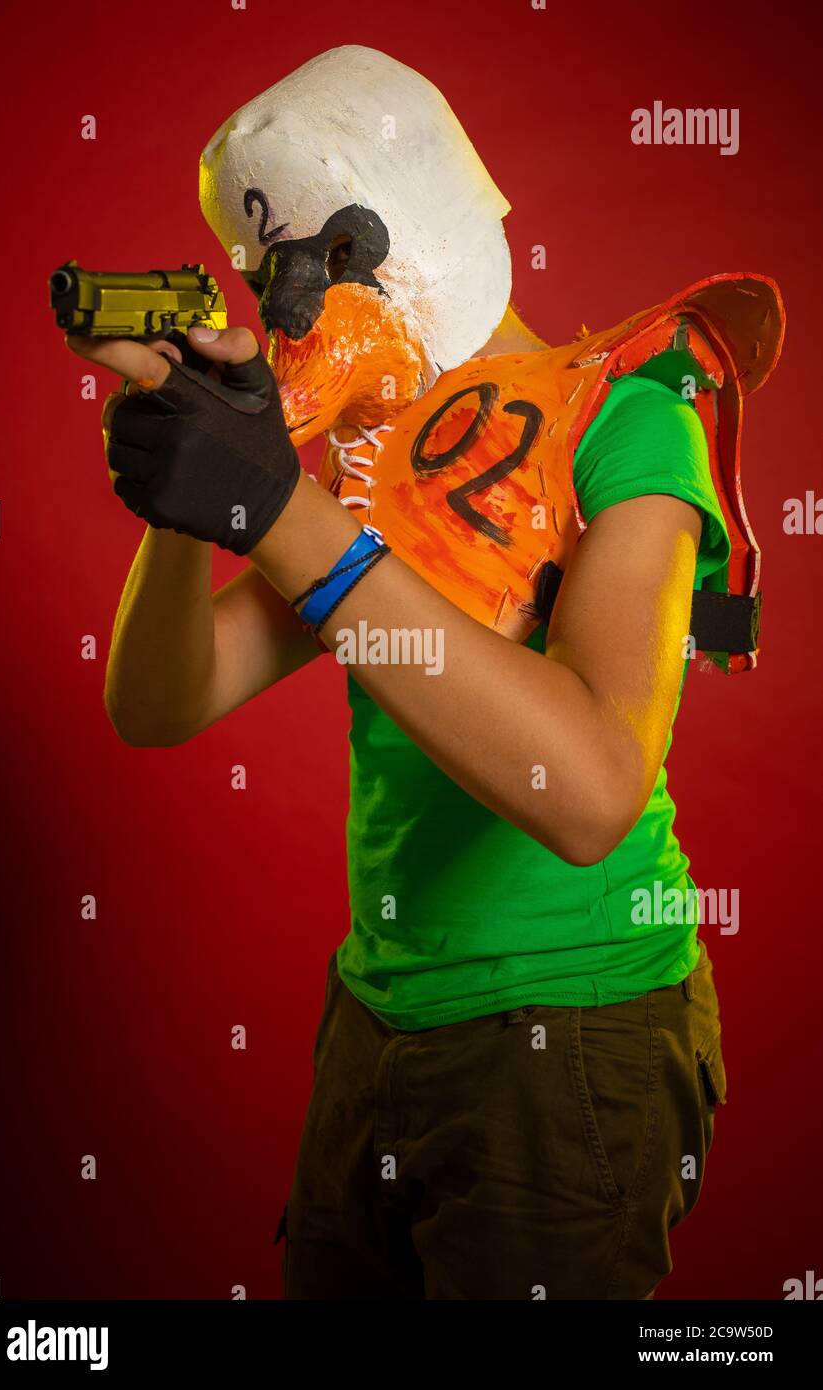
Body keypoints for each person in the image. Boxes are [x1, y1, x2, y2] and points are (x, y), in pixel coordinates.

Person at [65, 47, 781, 1299]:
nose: (279, 311)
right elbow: (159, 702)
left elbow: (594, 786)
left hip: (566, 1036)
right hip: (373, 1022)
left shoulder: (625, 420)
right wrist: (188, 485)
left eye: (297, 270)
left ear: (377, 236)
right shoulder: (356, 478)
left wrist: (273, 507)